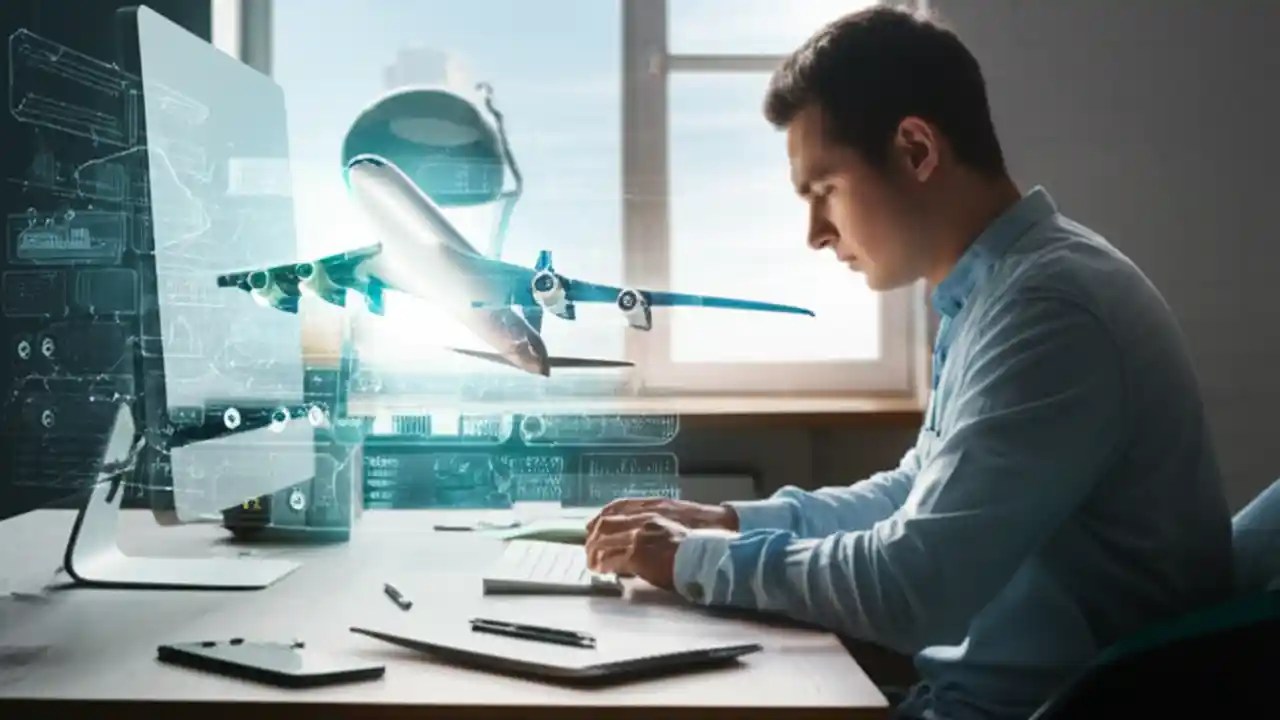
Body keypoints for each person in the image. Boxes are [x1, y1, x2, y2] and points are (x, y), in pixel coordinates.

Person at [584, 6, 1234, 719]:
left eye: (824, 191)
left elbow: (913, 586)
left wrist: (691, 559)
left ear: (917, 150)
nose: (815, 233)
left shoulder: (1051, 311)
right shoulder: (998, 293)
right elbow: (915, 495)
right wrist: (729, 521)